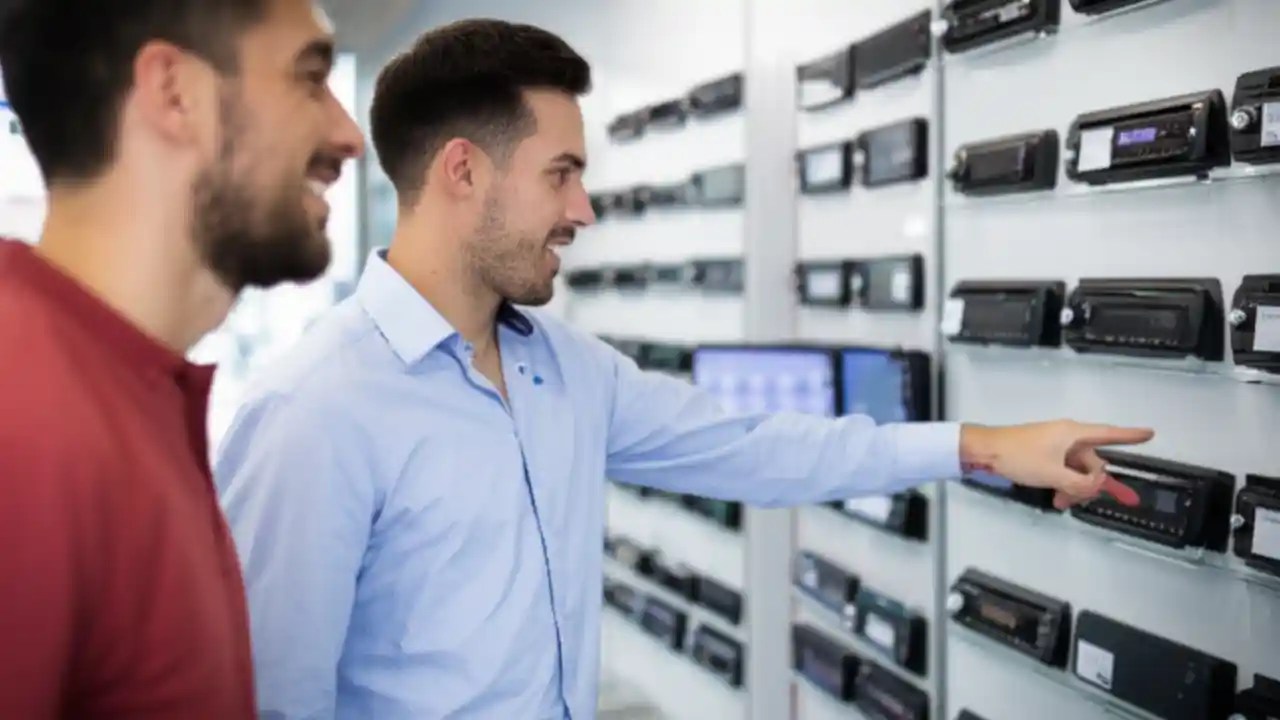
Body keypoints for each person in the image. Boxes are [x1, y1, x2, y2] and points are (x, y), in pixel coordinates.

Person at [214, 18, 1152, 720]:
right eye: (560, 173)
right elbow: (268, 702)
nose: (583, 209)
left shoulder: (566, 372)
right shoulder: (313, 412)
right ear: (463, 172)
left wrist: (985, 446)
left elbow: (761, 449)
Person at [0, 0, 362, 717]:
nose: (347, 135)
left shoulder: (129, 391)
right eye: (308, 78)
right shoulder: (24, 426)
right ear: (175, 94)